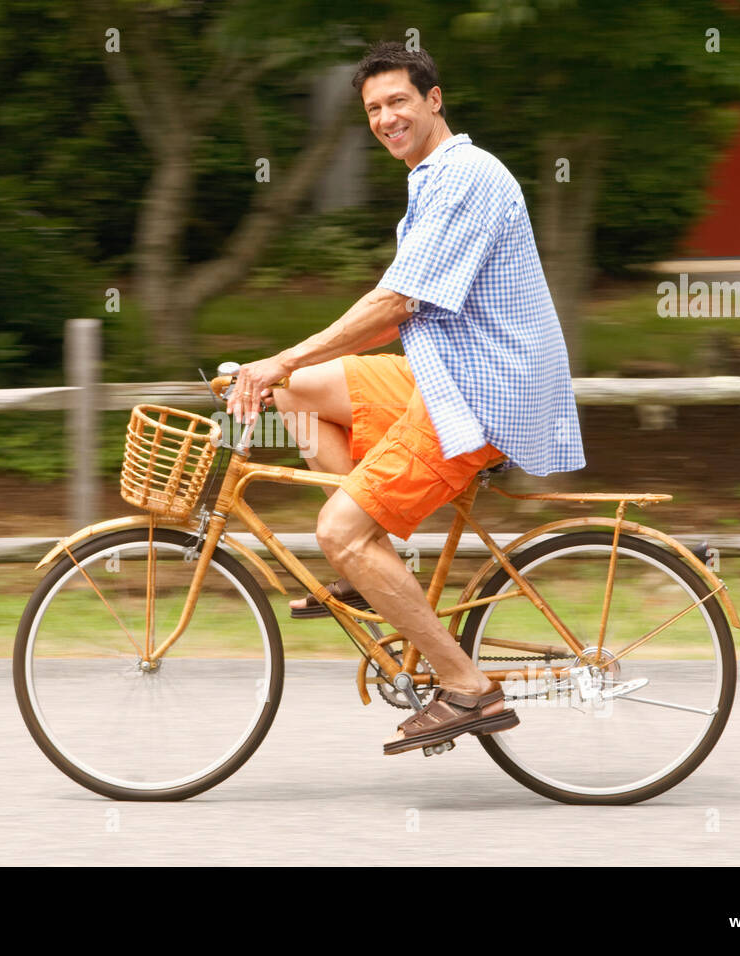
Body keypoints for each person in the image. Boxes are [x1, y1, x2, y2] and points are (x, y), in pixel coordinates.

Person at [224, 41, 586, 755]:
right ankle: (376, 562)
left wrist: (282, 355)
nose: (387, 117)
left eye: (398, 102)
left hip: (483, 395)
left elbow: (396, 303)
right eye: (373, 109)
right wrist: (280, 371)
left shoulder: (463, 177)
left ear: (434, 100)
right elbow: (398, 312)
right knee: (294, 392)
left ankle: (466, 687)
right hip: (447, 371)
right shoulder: (432, 177)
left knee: (337, 529)